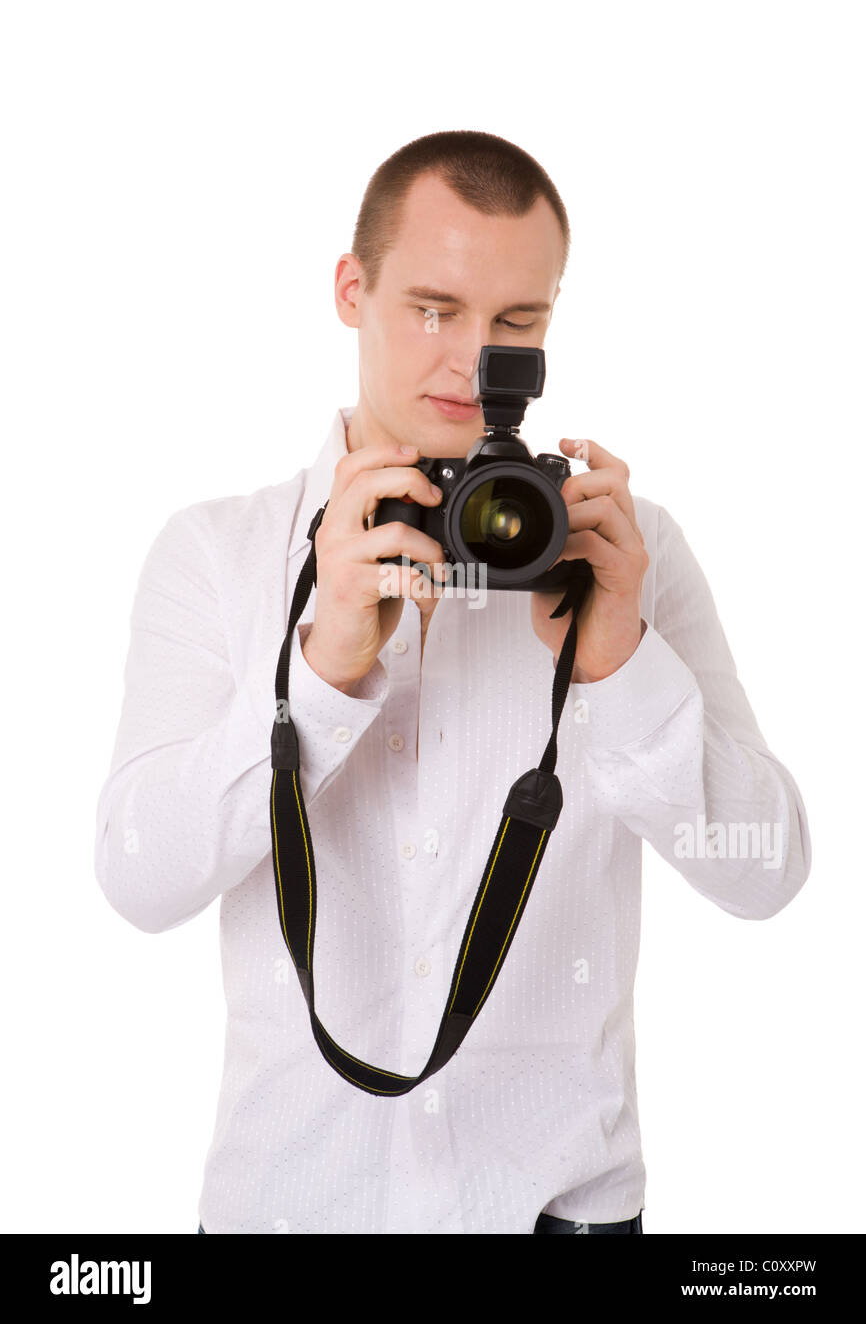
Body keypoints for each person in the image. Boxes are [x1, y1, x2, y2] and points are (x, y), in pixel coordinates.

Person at [94, 130, 811, 1235]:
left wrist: (620, 665)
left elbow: (762, 873)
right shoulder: (219, 553)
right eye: (433, 309)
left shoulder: (628, 549)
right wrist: (320, 673)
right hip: (287, 1210)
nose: (472, 362)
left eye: (515, 324)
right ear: (351, 288)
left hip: (556, 1211)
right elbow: (140, 880)